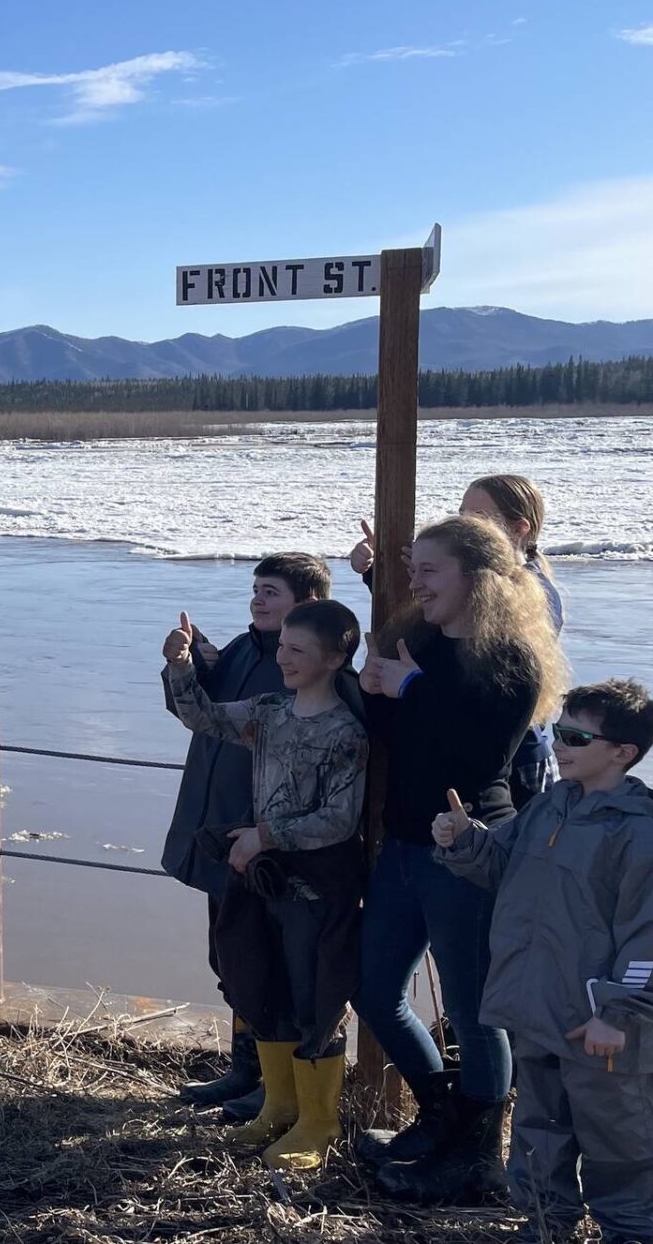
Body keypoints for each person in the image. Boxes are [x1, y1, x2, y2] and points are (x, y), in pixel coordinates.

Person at [352, 513, 570, 1204]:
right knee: (374, 989)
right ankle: (443, 1118)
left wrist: (410, 689)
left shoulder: (510, 660)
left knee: (477, 1014)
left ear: (475, 578)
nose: (415, 581)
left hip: (470, 853)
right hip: (403, 848)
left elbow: (478, 755)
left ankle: (478, 1159)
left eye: (428, 570)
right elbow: (391, 733)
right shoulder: (419, 640)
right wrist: (376, 689)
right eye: (413, 568)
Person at [433, 678, 653, 1244]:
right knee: (538, 1132)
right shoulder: (552, 805)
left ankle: (630, 1232)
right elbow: (502, 869)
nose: (560, 745)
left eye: (577, 737)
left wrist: (618, 1013)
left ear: (622, 754)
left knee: (618, 1145)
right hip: (538, 1010)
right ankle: (544, 1228)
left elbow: (646, 937)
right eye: (559, 731)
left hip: (600, 1027)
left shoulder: (638, 832)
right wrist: (464, 841)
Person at [165, 599, 369, 1171]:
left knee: (315, 1000)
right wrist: (180, 667)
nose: (283, 658)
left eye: (297, 650)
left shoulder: (345, 732)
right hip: (262, 879)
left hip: (316, 884)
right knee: (262, 984)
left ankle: (318, 1123)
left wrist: (265, 835)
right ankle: (278, 1108)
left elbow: (339, 819)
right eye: (282, 647)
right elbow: (202, 717)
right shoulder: (271, 711)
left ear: (335, 658)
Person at [160, 553, 332, 1120]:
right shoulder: (242, 648)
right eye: (256, 589)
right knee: (230, 958)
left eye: (272, 592)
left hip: (264, 840)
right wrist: (187, 665)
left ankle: (276, 1088)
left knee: (275, 966)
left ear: (306, 604)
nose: (258, 599)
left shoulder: (305, 666)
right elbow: (196, 711)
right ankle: (246, 1070)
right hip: (216, 827)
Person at [352, 473, 564, 804]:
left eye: (478, 517)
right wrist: (380, 573)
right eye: (462, 513)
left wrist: (413, 687)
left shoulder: (524, 614)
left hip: (517, 762)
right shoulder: (435, 635)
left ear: (519, 528)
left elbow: (484, 748)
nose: (466, 522)